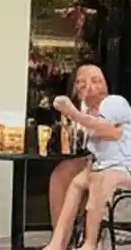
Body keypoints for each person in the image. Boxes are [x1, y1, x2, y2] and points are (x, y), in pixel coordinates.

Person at [43, 64, 131, 250]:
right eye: (81, 83)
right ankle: (58, 243)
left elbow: (109, 132)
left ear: (104, 85)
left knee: (99, 179)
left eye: (95, 81)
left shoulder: (114, 102)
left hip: (128, 167)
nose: (88, 87)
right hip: (103, 164)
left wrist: (73, 113)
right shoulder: (87, 112)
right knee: (75, 181)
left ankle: (90, 244)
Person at [46, 69, 90, 225]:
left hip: (101, 160)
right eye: (79, 82)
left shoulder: (106, 107)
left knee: (63, 174)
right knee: (60, 174)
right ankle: (61, 232)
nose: (83, 86)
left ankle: (64, 233)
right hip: (78, 158)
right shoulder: (69, 108)